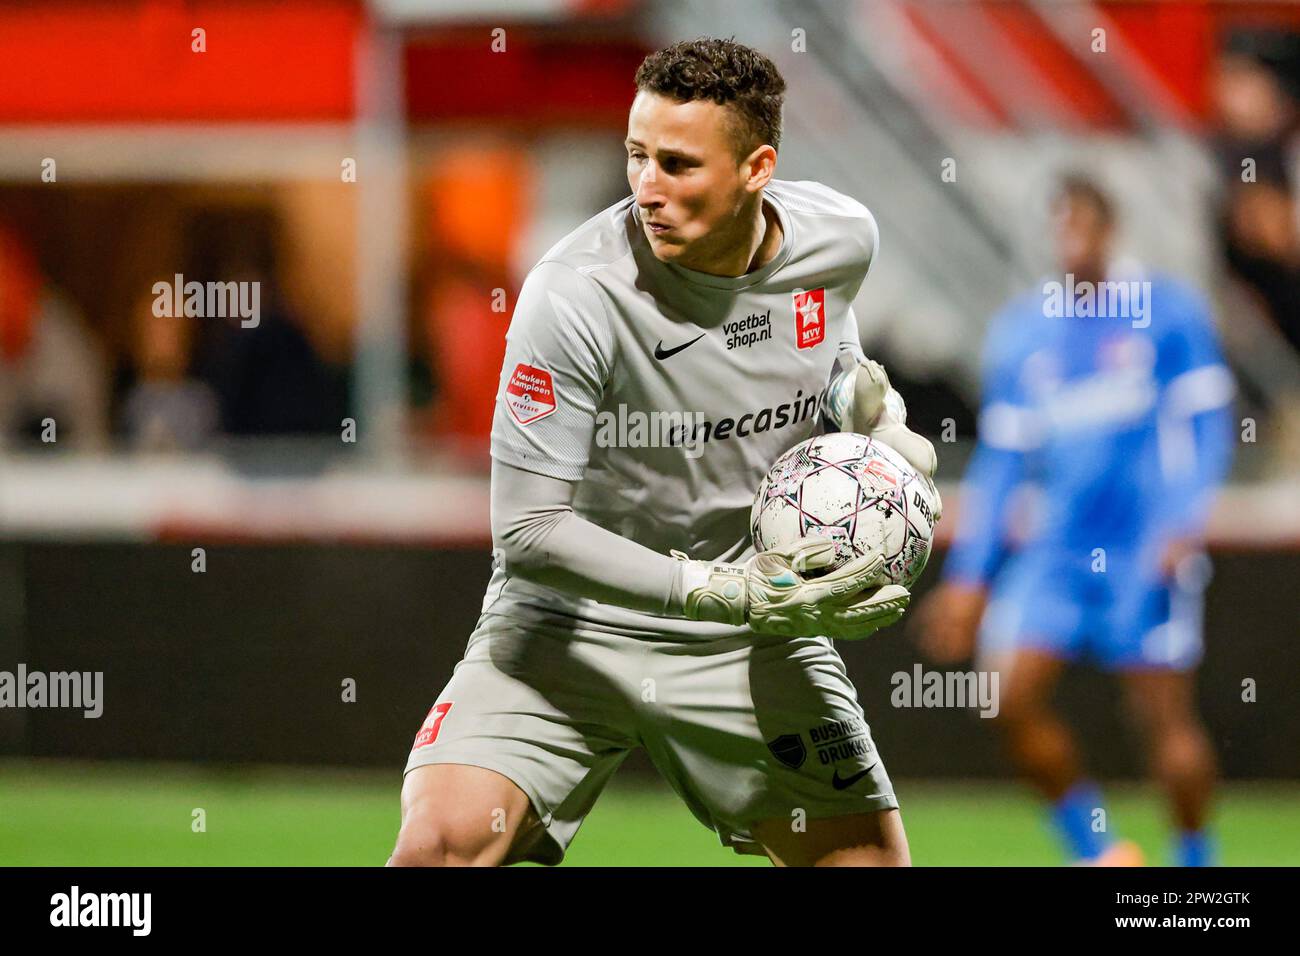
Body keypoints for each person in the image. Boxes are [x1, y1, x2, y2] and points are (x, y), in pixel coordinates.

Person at [389, 37, 937, 867]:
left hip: (756, 632)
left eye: (677, 165)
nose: (647, 189)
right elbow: (528, 530)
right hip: (571, 626)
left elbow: (828, 354)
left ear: (758, 168)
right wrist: (719, 590)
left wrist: (874, 416)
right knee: (441, 848)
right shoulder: (573, 293)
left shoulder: (840, 238)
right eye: (636, 156)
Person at [914, 175, 1235, 866]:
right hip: (1055, 553)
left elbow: (1208, 428)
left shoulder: (1167, 312)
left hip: (1146, 550)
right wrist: (970, 576)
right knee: (1004, 698)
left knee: (1163, 721)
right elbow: (1002, 466)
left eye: (1082, 225)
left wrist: (1183, 523)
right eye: (1059, 227)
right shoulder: (1022, 334)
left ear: (1109, 228)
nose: (1070, 241)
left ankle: (1195, 864)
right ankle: (1098, 849)